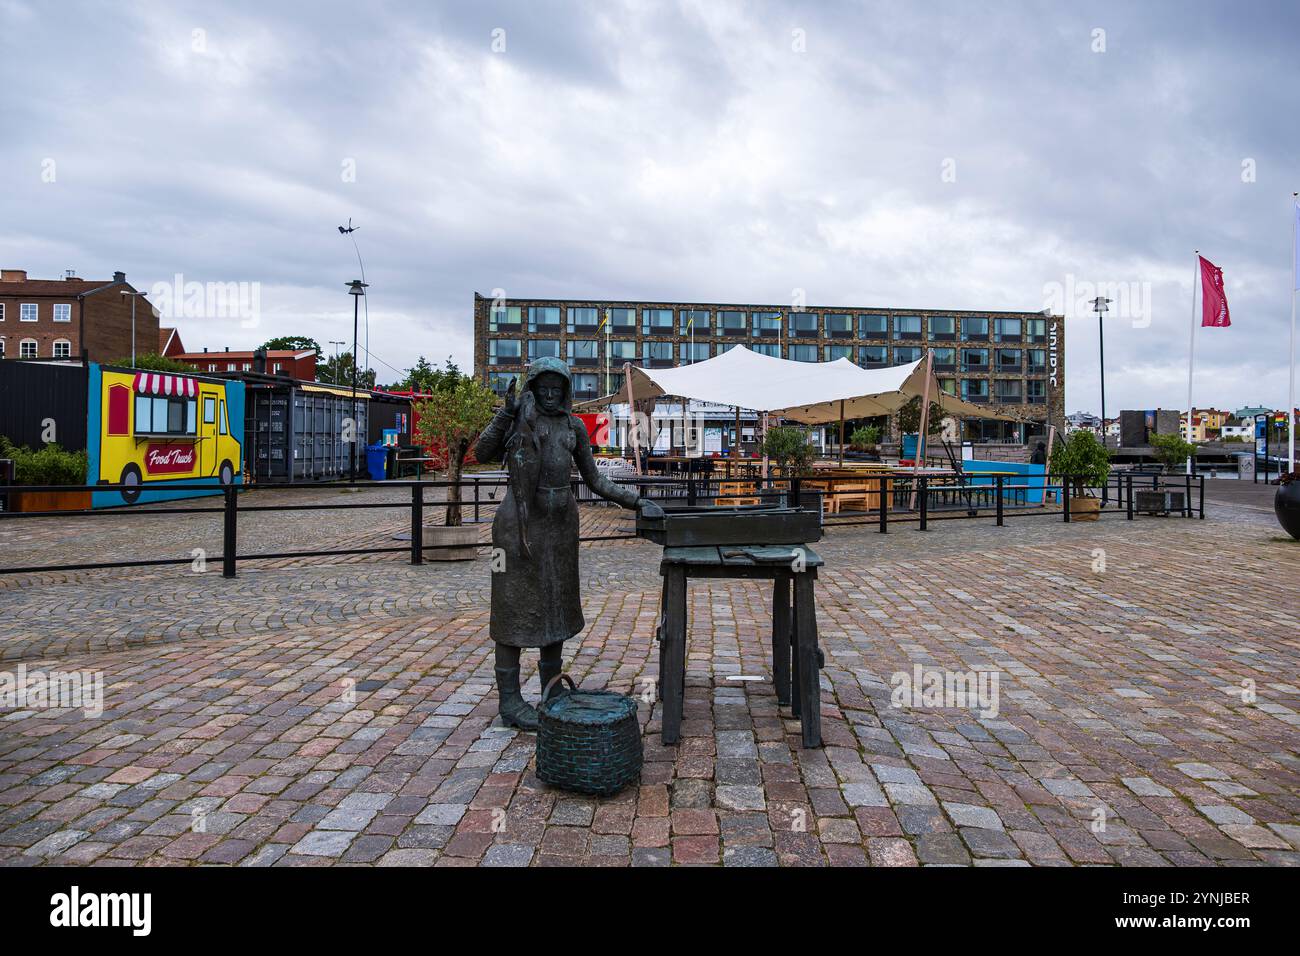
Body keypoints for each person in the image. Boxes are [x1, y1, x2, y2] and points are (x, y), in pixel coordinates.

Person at [474, 357, 655, 730]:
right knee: (511, 609)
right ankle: (509, 700)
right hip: (517, 527)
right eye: (544, 388)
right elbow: (480, 454)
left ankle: (552, 689)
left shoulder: (573, 426)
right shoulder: (519, 421)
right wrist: (504, 415)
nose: (551, 395)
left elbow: (595, 480)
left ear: (567, 390)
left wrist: (637, 501)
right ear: (533, 388)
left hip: (560, 529)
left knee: (554, 607)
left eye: (558, 389)